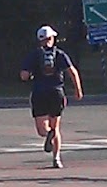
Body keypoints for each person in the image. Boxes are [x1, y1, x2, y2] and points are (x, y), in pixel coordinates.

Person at [20, 25, 82, 169]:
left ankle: (49, 134)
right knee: (56, 127)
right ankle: (57, 158)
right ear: (52, 39)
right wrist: (78, 89)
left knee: (42, 130)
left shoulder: (34, 55)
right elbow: (72, 71)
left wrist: (29, 75)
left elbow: (24, 75)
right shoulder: (60, 54)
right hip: (56, 92)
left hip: (39, 93)